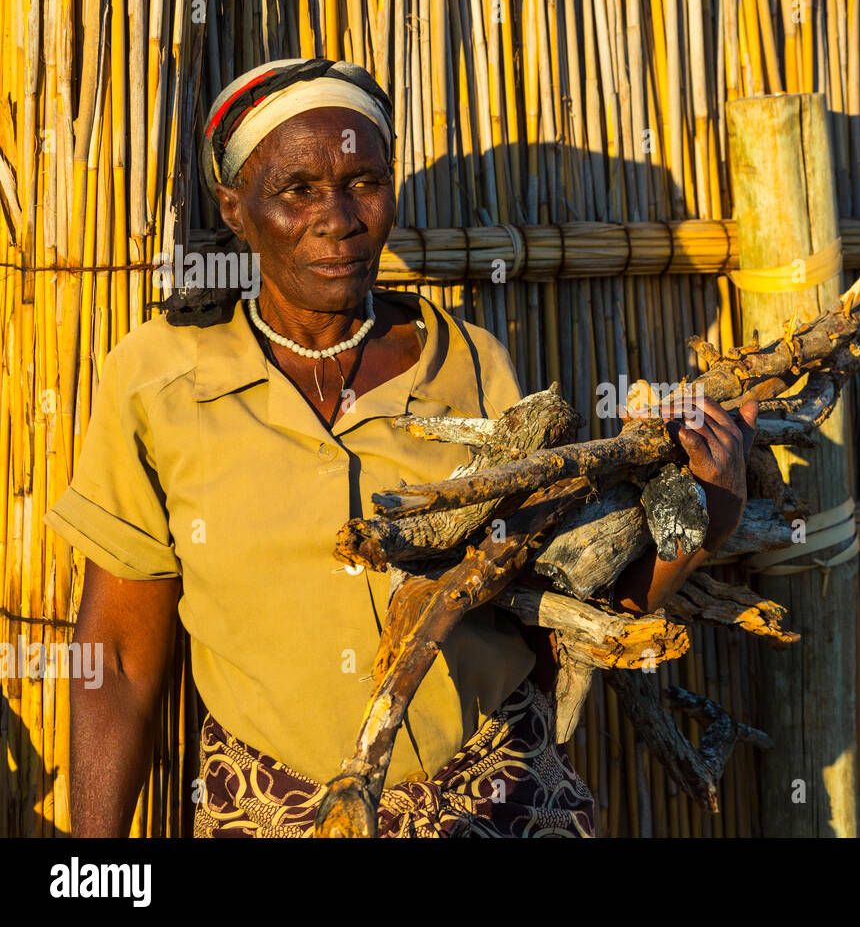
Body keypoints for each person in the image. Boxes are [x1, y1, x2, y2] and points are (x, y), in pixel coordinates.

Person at [43, 58, 759, 838]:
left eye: (364, 181)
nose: (339, 217)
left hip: (501, 799)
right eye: (297, 189)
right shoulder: (162, 380)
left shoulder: (473, 365)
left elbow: (555, 617)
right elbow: (115, 656)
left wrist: (706, 515)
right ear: (234, 208)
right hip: (275, 809)